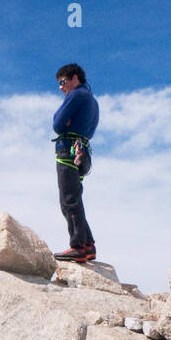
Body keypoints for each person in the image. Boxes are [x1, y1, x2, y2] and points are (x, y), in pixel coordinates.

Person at [51, 64, 99, 262]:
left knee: (68, 200)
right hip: (82, 151)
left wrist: (64, 121)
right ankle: (88, 245)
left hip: (69, 149)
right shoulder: (92, 100)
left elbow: (57, 123)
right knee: (75, 198)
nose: (61, 87)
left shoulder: (76, 95)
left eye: (63, 82)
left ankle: (78, 246)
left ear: (75, 78)